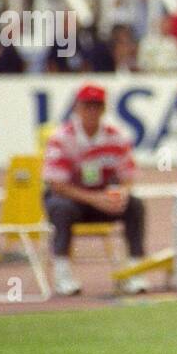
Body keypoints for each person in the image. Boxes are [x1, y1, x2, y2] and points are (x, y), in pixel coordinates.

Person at [42, 85, 149, 296]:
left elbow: (128, 175)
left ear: (103, 109)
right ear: (77, 108)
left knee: (135, 205)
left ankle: (135, 271)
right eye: (87, 106)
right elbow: (56, 185)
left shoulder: (116, 137)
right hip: (71, 199)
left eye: (96, 106)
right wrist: (94, 199)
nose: (92, 111)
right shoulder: (61, 138)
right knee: (60, 208)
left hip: (103, 199)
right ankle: (63, 275)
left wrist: (121, 194)